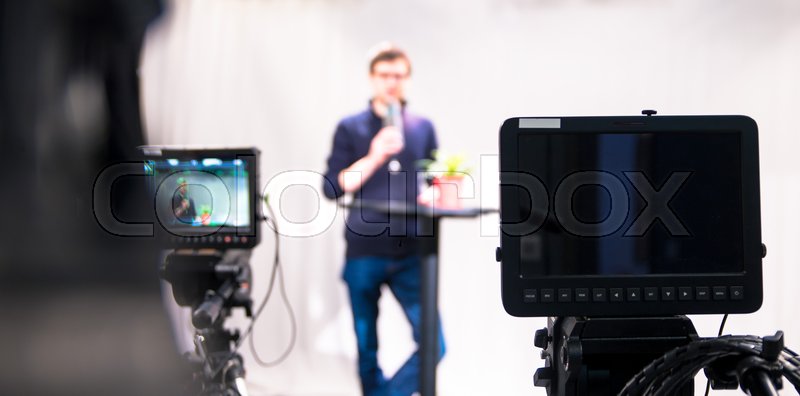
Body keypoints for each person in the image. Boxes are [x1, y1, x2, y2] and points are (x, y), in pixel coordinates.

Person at [323, 43, 445, 396]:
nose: (392, 83)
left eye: (399, 76)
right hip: (364, 252)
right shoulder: (351, 128)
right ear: (372, 78)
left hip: (411, 251)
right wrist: (375, 155)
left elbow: (434, 179)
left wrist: (436, 192)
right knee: (366, 350)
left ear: (407, 79)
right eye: (385, 75)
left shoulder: (422, 128)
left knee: (434, 344)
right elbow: (332, 187)